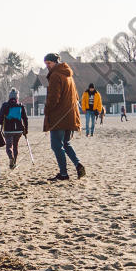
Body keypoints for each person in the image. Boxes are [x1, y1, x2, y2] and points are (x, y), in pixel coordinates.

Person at [42, 53, 85, 181]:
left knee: (56, 146)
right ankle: (78, 164)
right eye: (46, 64)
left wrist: (47, 110)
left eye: (49, 63)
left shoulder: (55, 75)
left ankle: (64, 174)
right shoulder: (68, 75)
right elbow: (76, 96)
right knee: (66, 143)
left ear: (56, 62)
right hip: (70, 116)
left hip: (59, 117)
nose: (47, 66)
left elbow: (53, 98)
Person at [0, 87, 30, 169]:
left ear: (9, 97)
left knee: (9, 146)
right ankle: (14, 163)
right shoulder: (20, 105)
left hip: (8, 129)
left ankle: (11, 157)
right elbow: (25, 118)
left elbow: (0, 116)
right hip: (19, 130)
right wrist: (26, 129)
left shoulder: (5, 105)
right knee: (15, 146)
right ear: (17, 97)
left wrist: (1, 123)